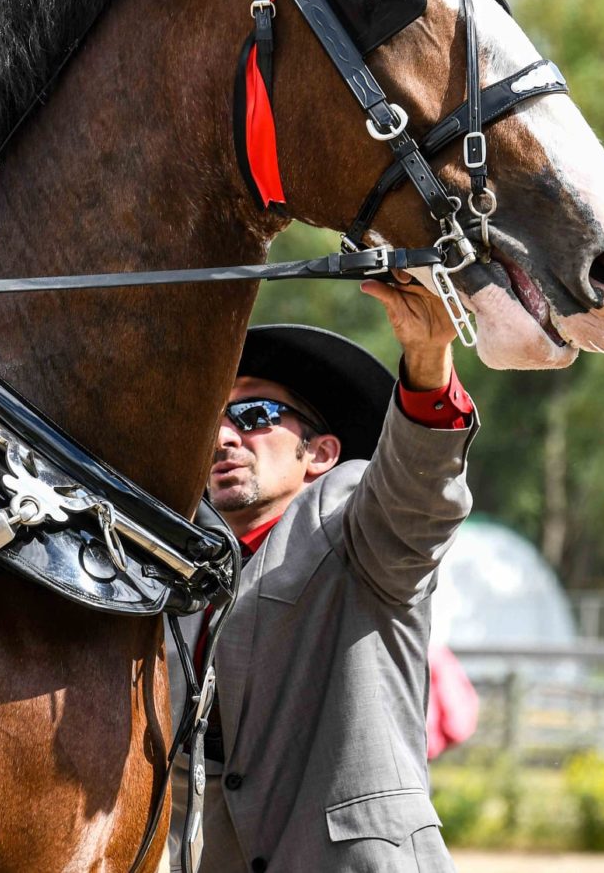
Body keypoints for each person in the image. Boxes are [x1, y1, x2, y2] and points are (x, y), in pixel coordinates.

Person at [169, 275, 478, 872]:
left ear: (321, 454)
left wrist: (428, 359)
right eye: (216, 416)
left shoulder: (355, 523)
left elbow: (419, 498)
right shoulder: (178, 568)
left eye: (255, 414)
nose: (225, 436)